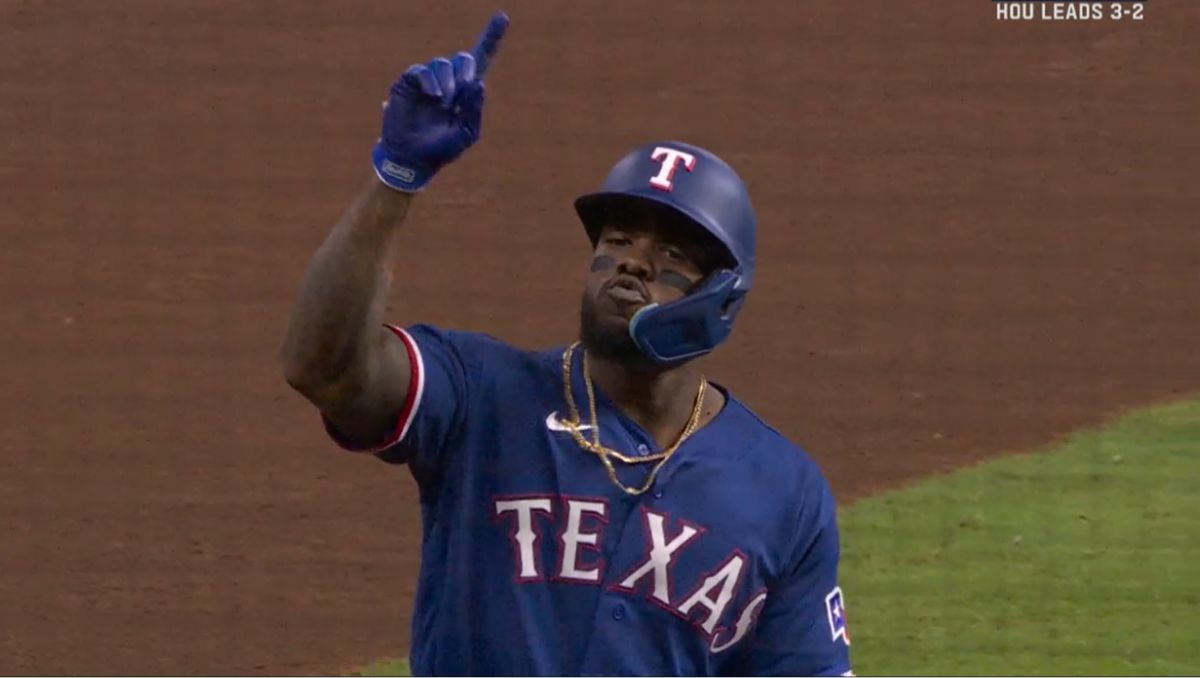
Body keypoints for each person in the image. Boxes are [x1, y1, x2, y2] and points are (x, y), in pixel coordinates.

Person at [280, 12, 853, 677]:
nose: (631, 264)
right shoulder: (481, 397)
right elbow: (323, 369)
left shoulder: (784, 492)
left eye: (669, 254)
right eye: (615, 241)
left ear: (722, 298)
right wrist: (396, 180)